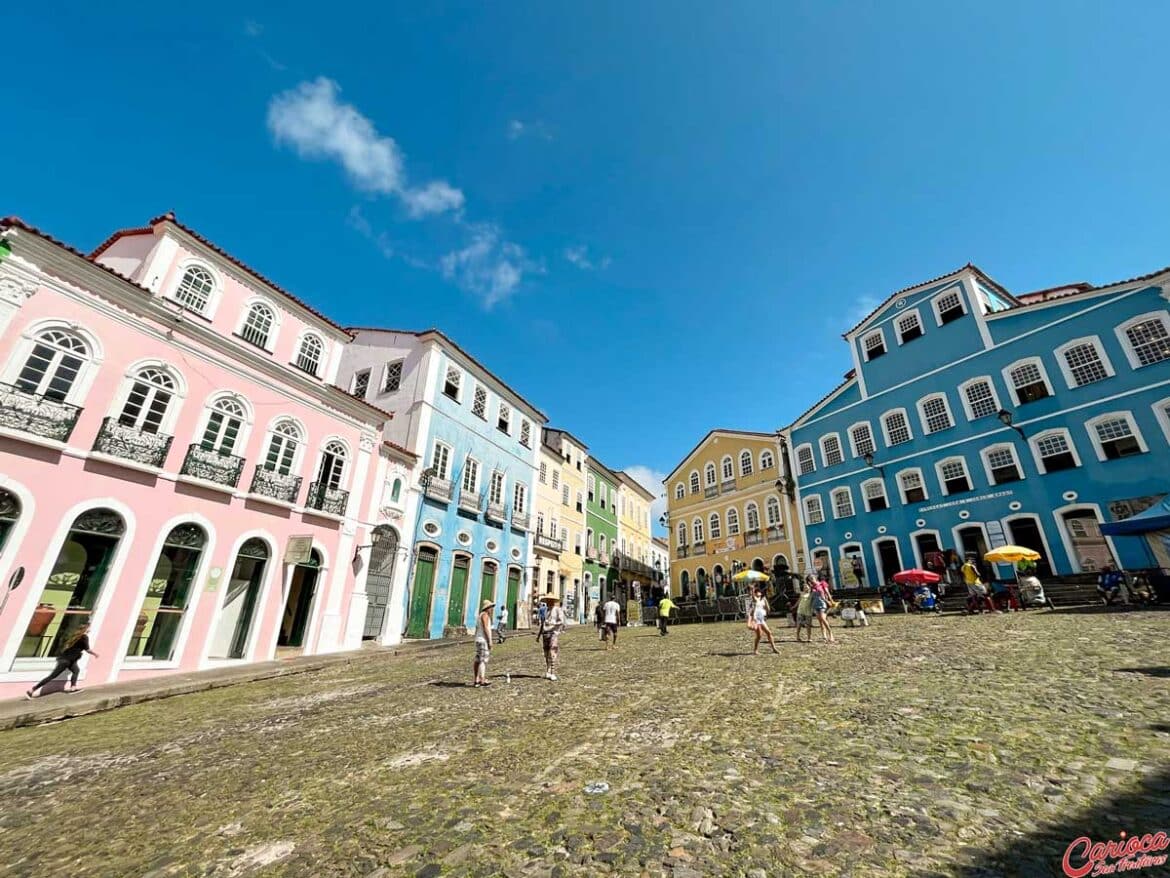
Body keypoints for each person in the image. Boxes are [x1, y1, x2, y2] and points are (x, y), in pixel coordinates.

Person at [27, 625, 98, 699]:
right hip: (67, 660)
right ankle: (32, 690)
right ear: (86, 629)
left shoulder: (76, 637)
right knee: (52, 676)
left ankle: (73, 688)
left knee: (76, 670)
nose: (90, 629)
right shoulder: (84, 637)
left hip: (68, 659)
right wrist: (95, 654)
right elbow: (87, 649)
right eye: (89, 628)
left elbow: (68, 647)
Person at [535, 594, 566, 681]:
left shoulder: (557, 610)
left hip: (553, 633)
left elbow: (561, 621)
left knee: (552, 652)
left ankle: (553, 672)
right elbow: (543, 623)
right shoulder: (545, 610)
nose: (549, 602)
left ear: (553, 601)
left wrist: (554, 624)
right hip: (545, 633)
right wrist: (538, 635)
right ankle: (548, 671)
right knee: (546, 653)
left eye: (550, 600)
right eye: (548, 600)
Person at [748, 587, 780, 655]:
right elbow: (753, 597)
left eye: (758, 592)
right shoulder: (755, 599)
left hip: (761, 619)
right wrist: (752, 589)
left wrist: (767, 612)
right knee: (759, 636)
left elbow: (767, 607)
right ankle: (755, 650)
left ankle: (774, 648)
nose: (758, 593)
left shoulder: (763, 599)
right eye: (756, 592)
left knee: (769, 633)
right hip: (756, 619)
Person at [808, 574, 836, 643]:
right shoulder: (811, 587)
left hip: (823, 604)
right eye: (810, 579)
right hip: (815, 605)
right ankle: (824, 636)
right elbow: (811, 597)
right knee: (820, 621)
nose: (811, 580)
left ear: (815, 578)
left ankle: (830, 634)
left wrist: (831, 601)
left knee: (823, 619)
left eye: (812, 578)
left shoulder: (822, 583)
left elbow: (827, 593)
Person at [473, 599, 494, 687]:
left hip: (478, 639)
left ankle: (476, 679)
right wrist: (489, 641)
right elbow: (485, 628)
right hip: (483, 640)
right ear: (487, 608)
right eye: (491, 607)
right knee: (483, 660)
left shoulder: (480, 615)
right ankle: (482, 679)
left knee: (478, 659)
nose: (492, 609)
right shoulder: (485, 615)